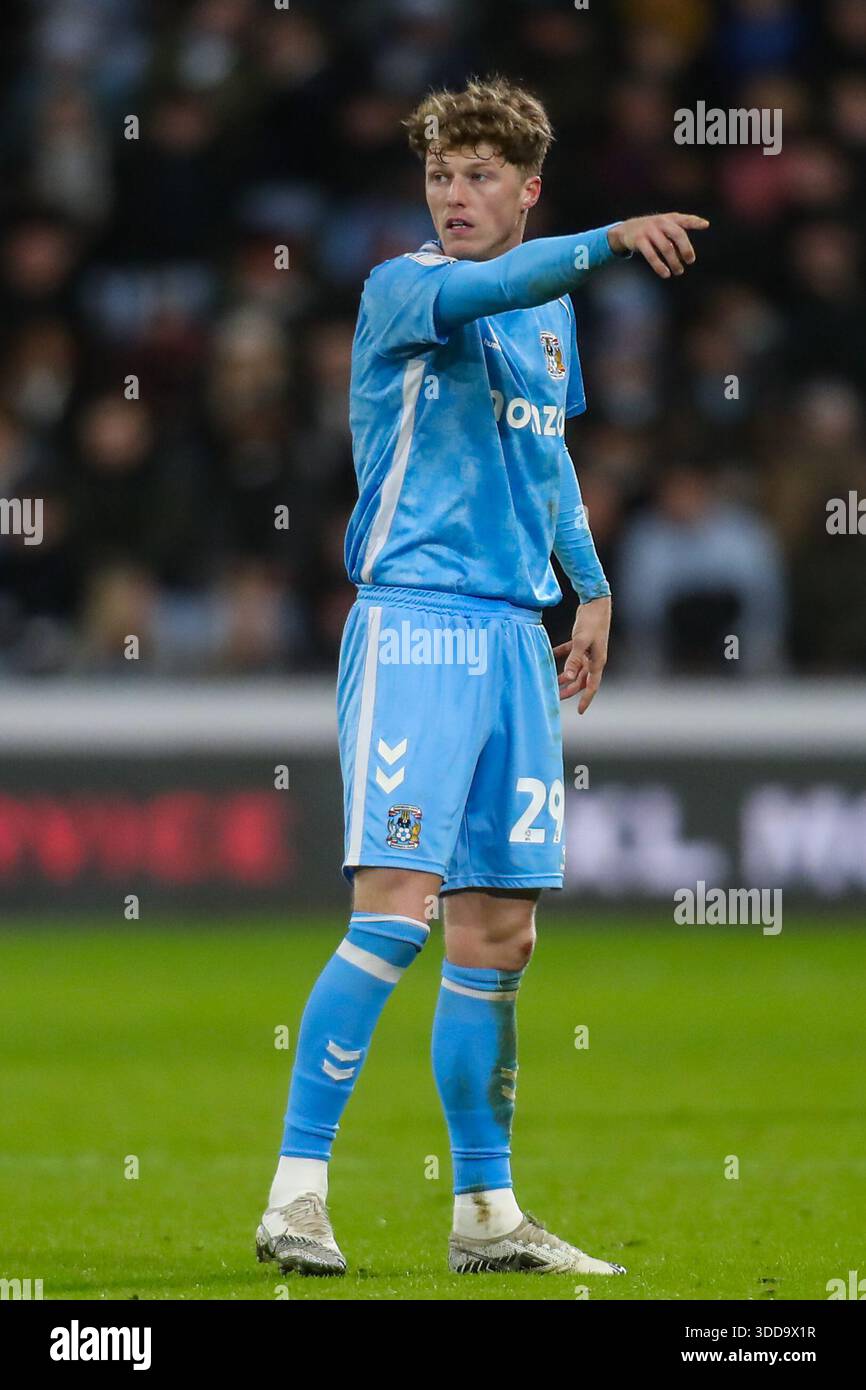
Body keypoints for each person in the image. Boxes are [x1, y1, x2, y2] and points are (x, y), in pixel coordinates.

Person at [257, 75, 708, 1277]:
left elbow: (545, 451)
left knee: (499, 934)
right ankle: (297, 1192)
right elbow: (511, 280)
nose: (453, 197)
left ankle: (484, 1216)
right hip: (414, 627)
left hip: (512, 636)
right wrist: (609, 241)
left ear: (525, 187)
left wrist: (592, 585)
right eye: (438, 176)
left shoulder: (548, 323)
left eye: (477, 177)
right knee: (393, 912)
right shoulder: (405, 288)